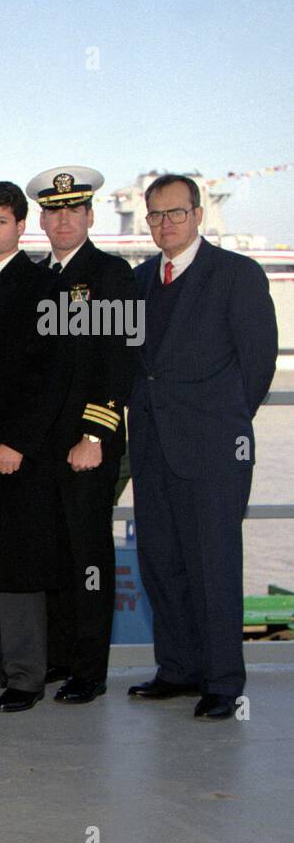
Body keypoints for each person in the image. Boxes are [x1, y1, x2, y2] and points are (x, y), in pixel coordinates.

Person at [127, 174, 277, 720]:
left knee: (213, 563)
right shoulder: (140, 279)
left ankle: (221, 680)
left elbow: (257, 364)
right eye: (156, 216)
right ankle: (178, 669)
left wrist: (222, 425)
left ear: (198, 215)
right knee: (162, 561)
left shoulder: (236, 275)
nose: (166, 224)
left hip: (213, 448)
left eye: (176, 213)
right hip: (152, 446)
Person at [26, 165, 136, 705]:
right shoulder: (43, 279)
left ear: (90, 216)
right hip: (46, 447)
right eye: (54, 211)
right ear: (42, 220)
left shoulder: (112, 275)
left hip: (87, 443)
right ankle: (60, 657)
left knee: (89, 556)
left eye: (73, 210)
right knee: (55, 552)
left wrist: (95, 434)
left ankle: (90, 669)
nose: (63, 220)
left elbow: (118, 363)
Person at [0, 182, 68, 714]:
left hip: (19, 448)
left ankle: (26, 675)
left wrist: (20, 442)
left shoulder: (40, 285)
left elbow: (52, 376)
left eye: (0, 221)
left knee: (22, 559)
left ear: (21, 226)